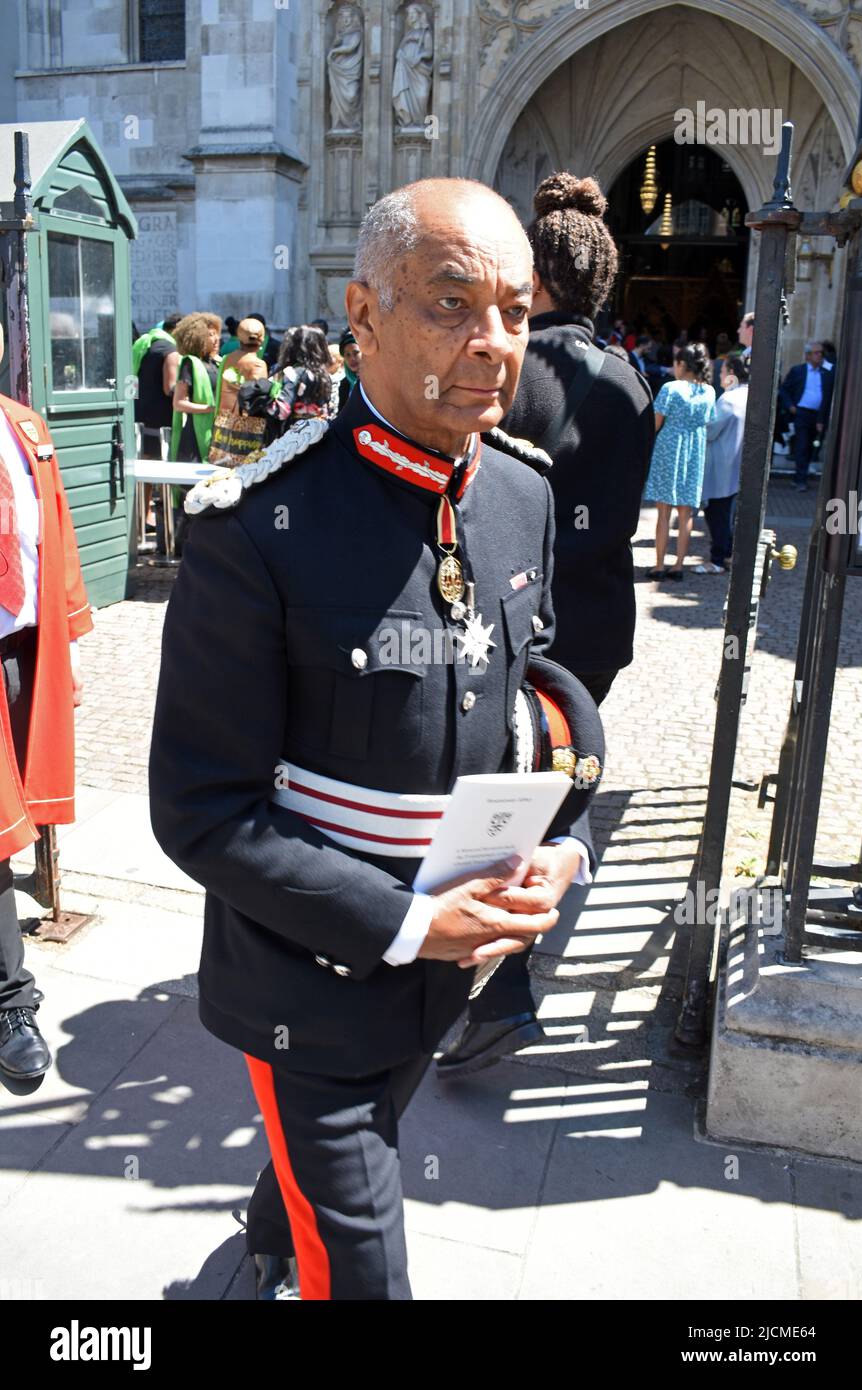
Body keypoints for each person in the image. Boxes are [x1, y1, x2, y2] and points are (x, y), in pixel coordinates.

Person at [149, 176, 604, 1302]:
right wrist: (405, 921)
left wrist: (560, 829)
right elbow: (201, 810)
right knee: (362, 1268)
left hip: (451, 968)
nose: (493, 342)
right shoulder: (255, 527)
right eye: (451, 305)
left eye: (513, 308)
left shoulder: (517, 493)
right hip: (309, 977)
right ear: (362, 313)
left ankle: (261, 1235)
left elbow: (534, 685)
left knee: (328, 1172)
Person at [436, 172, 653, 1079]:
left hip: (501, 615)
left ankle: (489, 976)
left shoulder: (506, 375)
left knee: (484, 790)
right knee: (546, 780)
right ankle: (494, 967)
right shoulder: (632, 383)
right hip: (592, 628)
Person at [0, 322, 93, 1080]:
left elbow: (52, 533)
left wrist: (65, 650)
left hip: (22, 653)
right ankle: (10, 998)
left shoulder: (24, 425)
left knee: (15, 819)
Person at [645, 342, 716, 580]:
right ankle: (678, 566)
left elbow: (655, 423)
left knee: (663, 512)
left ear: (682, 364)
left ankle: (658, 565)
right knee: (686, 513)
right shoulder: (709, 391)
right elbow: (710, 420)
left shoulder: (671, 388)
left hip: (669, 449)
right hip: (694, 452)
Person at [168, 312, 221, 556]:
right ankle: (184, 543)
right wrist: (209, 409)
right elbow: (179, 402)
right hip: (194, 434)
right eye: (211, 335)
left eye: (217, 334)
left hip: (215, 432)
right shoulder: (188, 363)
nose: (216, 339)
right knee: (192, 488)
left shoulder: (218, 363)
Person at [698, 354, 749, 574]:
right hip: (737, 464)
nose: (719, 375)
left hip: (722, 466)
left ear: (731, 375)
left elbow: (709, 430)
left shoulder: (728, 399)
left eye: (721, 371)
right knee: (727, 514)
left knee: (717, 515)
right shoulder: (748, 395)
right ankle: (726, 555)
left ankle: (718, 559)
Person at [133, 312, 181, 533]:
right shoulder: (169, 350)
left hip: (140, 415)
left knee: (144, 472)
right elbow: (169, 388)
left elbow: (131, 382)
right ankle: (161, 522)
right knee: (161, 473)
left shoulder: (145, 344)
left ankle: (142, 518)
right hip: (161, 420)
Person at [778, 341, 833, 491]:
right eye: (816, 353)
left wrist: (822, 419)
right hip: (801, 413)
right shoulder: (798, 371)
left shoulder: (826, 372)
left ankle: (799, 476)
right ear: (808, 356)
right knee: (802, 446)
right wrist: (791, 407)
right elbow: (784, 390)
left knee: (812, 448)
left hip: (818, 416)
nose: (820, 356)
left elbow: (829, 395)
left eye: (821, 353)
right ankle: (801, 480)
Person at [272, 325, 333, 425]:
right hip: (319, 431)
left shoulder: (294, 373)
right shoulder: (324, 375)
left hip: (294, 433)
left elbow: (282, 411)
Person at [214, 316, 269, 416]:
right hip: (246, 426)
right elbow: (257, 401)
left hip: (222, 420)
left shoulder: (226, 359)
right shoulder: (258, 365)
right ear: (261, 339)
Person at [337, 327, 361, 410]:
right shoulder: (345, 384)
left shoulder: (374, 381)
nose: (352, 359)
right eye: (347, 355)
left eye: (356, 353)